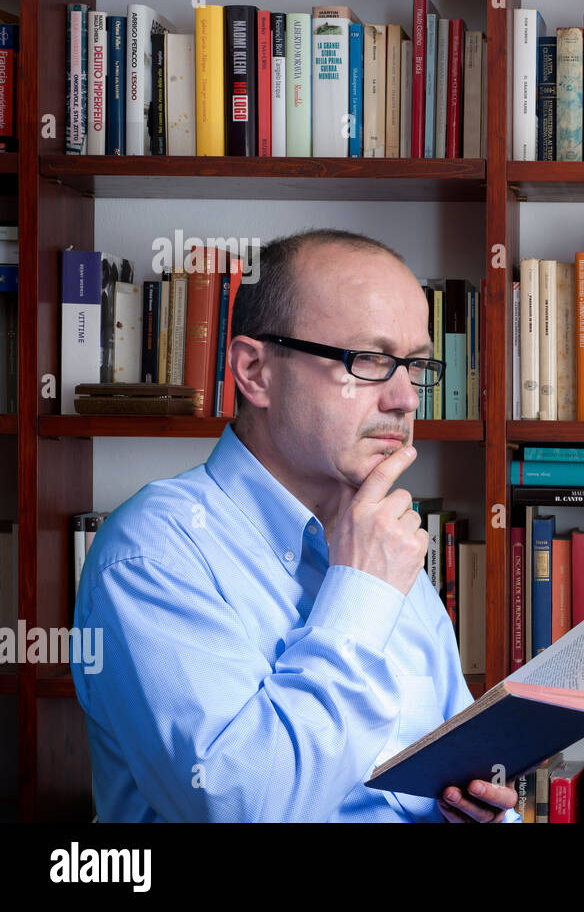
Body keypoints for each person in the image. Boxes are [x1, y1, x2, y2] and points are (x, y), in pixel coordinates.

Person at [71, 229, 519, 822]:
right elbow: (241, 808)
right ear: (254, 371)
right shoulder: (151, 554)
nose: (407, 399)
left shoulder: (384, 541)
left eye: (414, 365)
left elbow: (454, 768)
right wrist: (361, 594)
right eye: (369, 360)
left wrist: (479, 810)